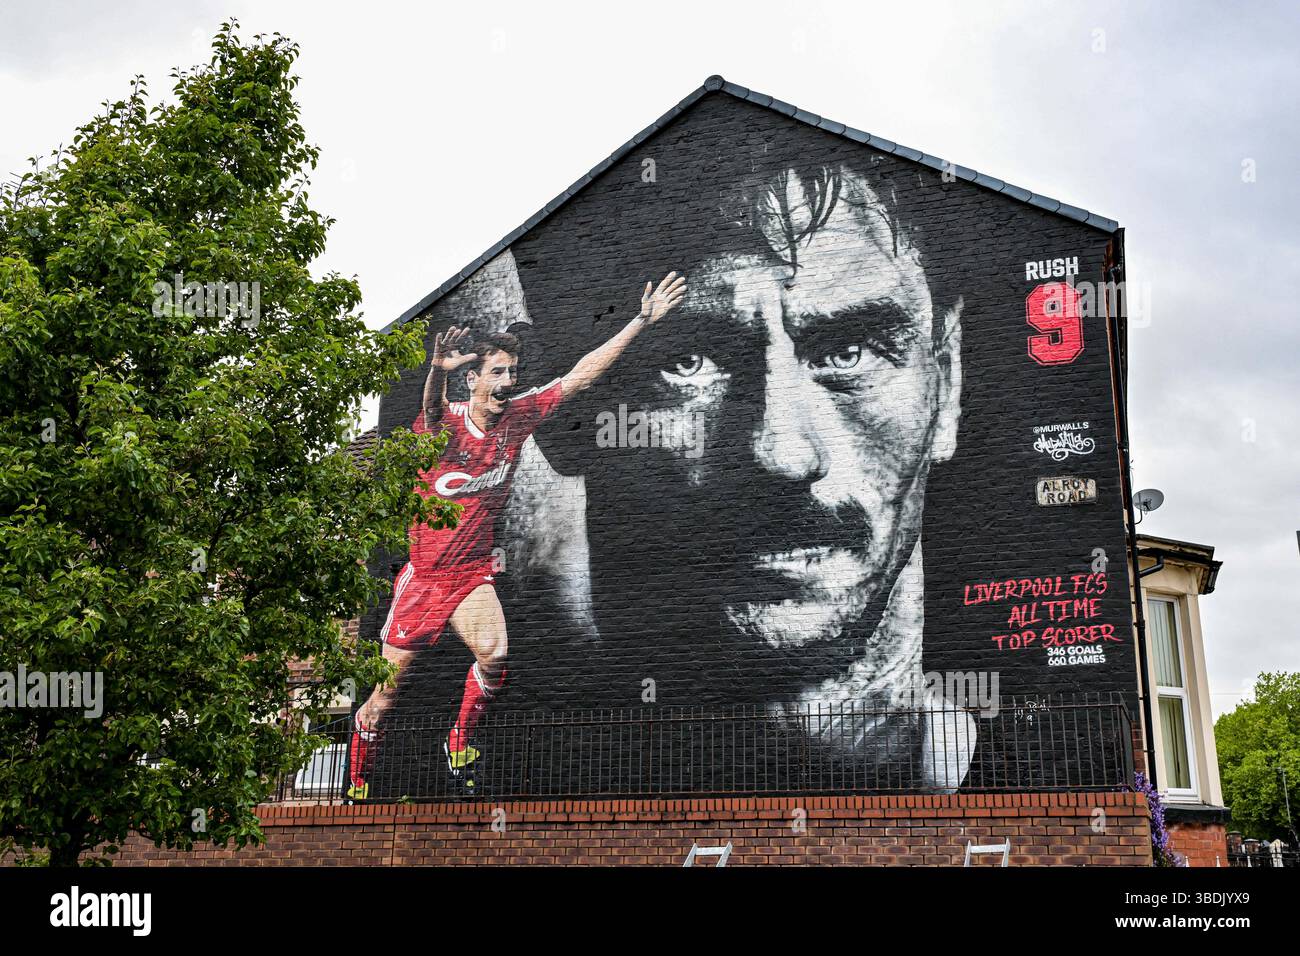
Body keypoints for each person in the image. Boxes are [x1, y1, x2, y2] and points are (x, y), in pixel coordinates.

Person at [527, 158, 975, 788]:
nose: (782, 452)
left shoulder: (1044, 770)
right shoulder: (509, 791)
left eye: (848, 352)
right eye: (689, 361)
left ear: (947, 384)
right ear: (559, 414)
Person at [346, 272, 687, 799]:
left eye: (513, 371)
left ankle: (459, 744)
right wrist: (436, 372)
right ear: (473, 381)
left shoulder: (518, 418)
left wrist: (640, 322)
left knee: (496, 653)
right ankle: (358, 779)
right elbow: (431, 409)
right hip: (424, 579)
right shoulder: (445, 424)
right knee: (385, 700)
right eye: (498, 372)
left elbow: (578, 378)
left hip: (471, 574)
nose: (509, 380)